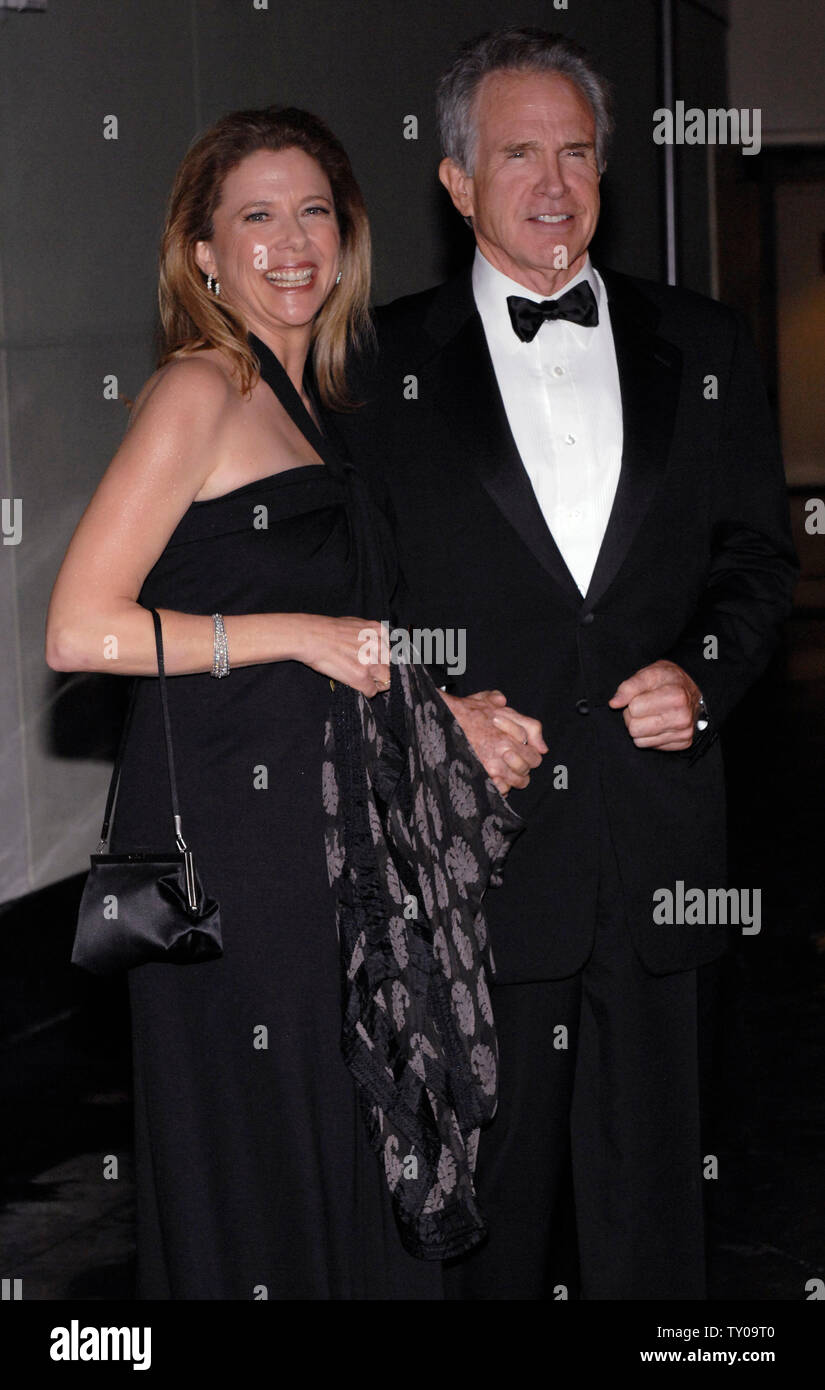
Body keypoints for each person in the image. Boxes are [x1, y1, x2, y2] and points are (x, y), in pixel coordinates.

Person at [45, 104, 542, 1300]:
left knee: (341, 1137)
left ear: (349, 233)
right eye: (254, 216)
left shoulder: (313, 404)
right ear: (203, 252)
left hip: (329, 846)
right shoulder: (200, 390)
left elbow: (340, 649)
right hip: (242, 859)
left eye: (313, 210)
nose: (291, 241)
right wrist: (302, 633)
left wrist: (448, 710)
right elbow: (82, 625)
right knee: (280, 1148)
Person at [335, 28, 798, 1299]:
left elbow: (758, 560)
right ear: (455, 180)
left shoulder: (703, 345)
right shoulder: (368, 368)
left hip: (661, 855)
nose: (554, 182)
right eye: (519, 153)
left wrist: (703, 676)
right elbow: (339, 605)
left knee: (662, 1223)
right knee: (489, 1226)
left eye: (578, 151)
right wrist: (436, 711)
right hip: (482, 867)